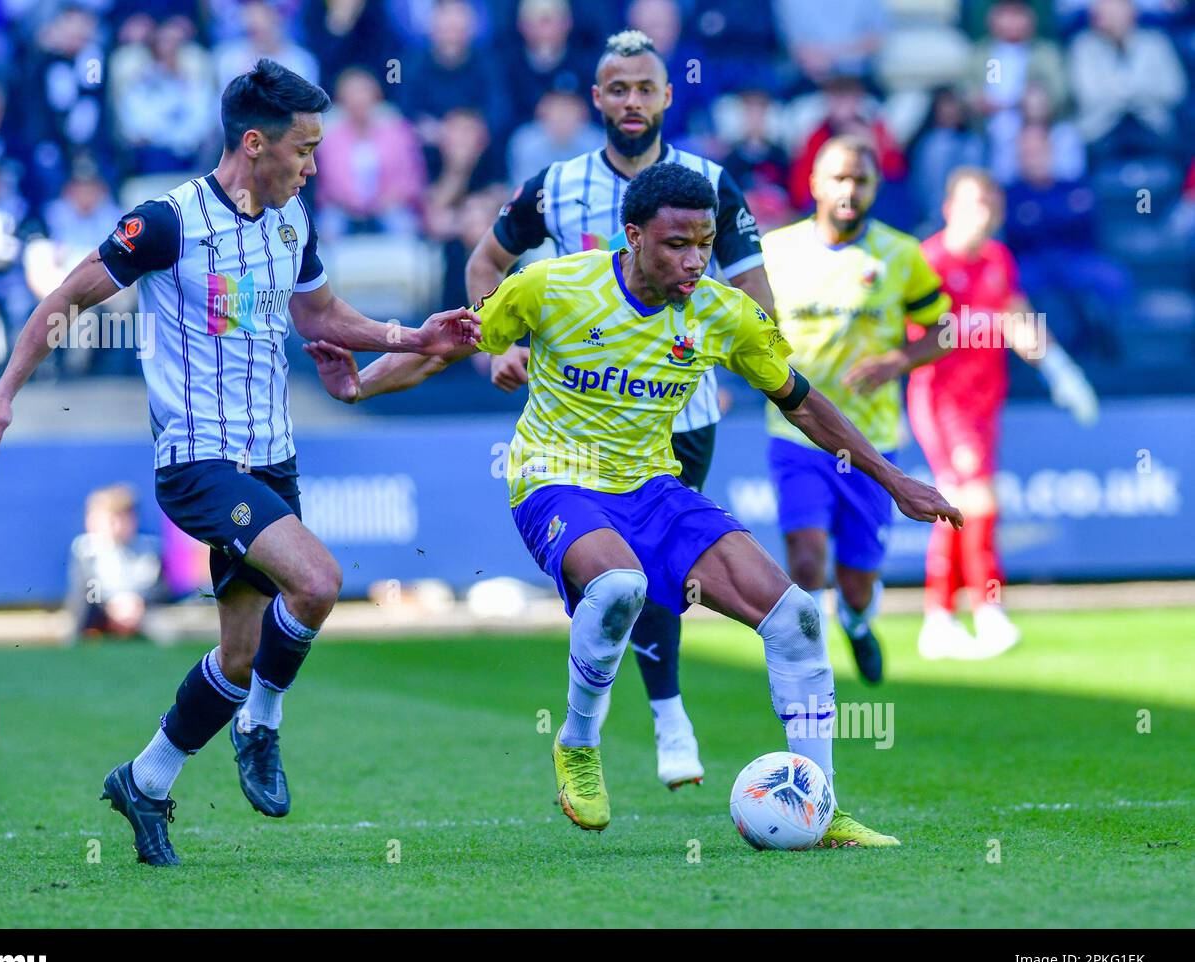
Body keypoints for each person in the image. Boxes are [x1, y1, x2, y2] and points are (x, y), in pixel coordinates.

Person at [306, 161, 962, 845]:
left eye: (705, 243)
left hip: (651, 486)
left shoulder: (723, 313)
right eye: (677, 244)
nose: (695, 260)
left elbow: (800, 402)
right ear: (632, 236)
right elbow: (445, 347)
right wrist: (360, 389)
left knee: (796, 616)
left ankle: (819, 808)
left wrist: (893, 478)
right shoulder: (552, 287)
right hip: (554, 477)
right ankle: (579, 746)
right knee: (620, 586)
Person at [0, 59, 480, 866]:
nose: (312, 165)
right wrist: (2, 397)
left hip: (271, 460)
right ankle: (264, 727)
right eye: (304, 149)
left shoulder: (290, 220)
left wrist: (410, 336)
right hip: (200, 465)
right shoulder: (168, 223)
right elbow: (66, 298)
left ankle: (145, 780)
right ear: (254, 143)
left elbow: (319, 312)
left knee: (238, 656)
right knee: (316, 581)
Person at [465, 29, 774, 791]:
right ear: (596, 99)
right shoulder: (555, 183)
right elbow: (484, 266)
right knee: (618, 575)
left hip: (681, 409)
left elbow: (755, 289)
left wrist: (744, 352)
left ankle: (666, 713)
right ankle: (659, 717)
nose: (632, 101)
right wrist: (493, 350)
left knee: (664, 572)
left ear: (668, 96)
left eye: (645, 88)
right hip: (578, 419)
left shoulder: (709, 180)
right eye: (617, 88)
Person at [760, 135, 956, 684]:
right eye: (840, 178)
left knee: (856, 577)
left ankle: (858, 619)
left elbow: (944, 329)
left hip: (869, 442)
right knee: (804, 558)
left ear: (874, 188)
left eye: (861, 180)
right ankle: (809, 666)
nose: (850, 190)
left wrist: (896, 360)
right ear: (816, 184)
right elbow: (742, 324)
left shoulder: (899, 253)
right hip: (797, 430)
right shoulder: (776, 252)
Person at [908, 167, 1097, 660]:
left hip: (984, 404)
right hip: (941, 402)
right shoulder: (926, 263)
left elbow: (1018, 319)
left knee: (959, 505)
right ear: (950, 208)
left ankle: (940, 619)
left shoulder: (997, 260)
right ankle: (987, 610)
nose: (983, 214)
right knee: (979, 501)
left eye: (990, 205)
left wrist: (1060, 370)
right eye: (973, 203)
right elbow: (910, 339)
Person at [66, 484, 168, 639]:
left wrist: (138, 603)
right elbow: (86, 591)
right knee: (81, 614)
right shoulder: (85, 550)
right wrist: (110, 606)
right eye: (110, 519)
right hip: (102, 613)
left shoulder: (152, 549)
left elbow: (162, 588)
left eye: (123, 518)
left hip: (142, 613)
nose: (116, 526)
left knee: (164, 626)